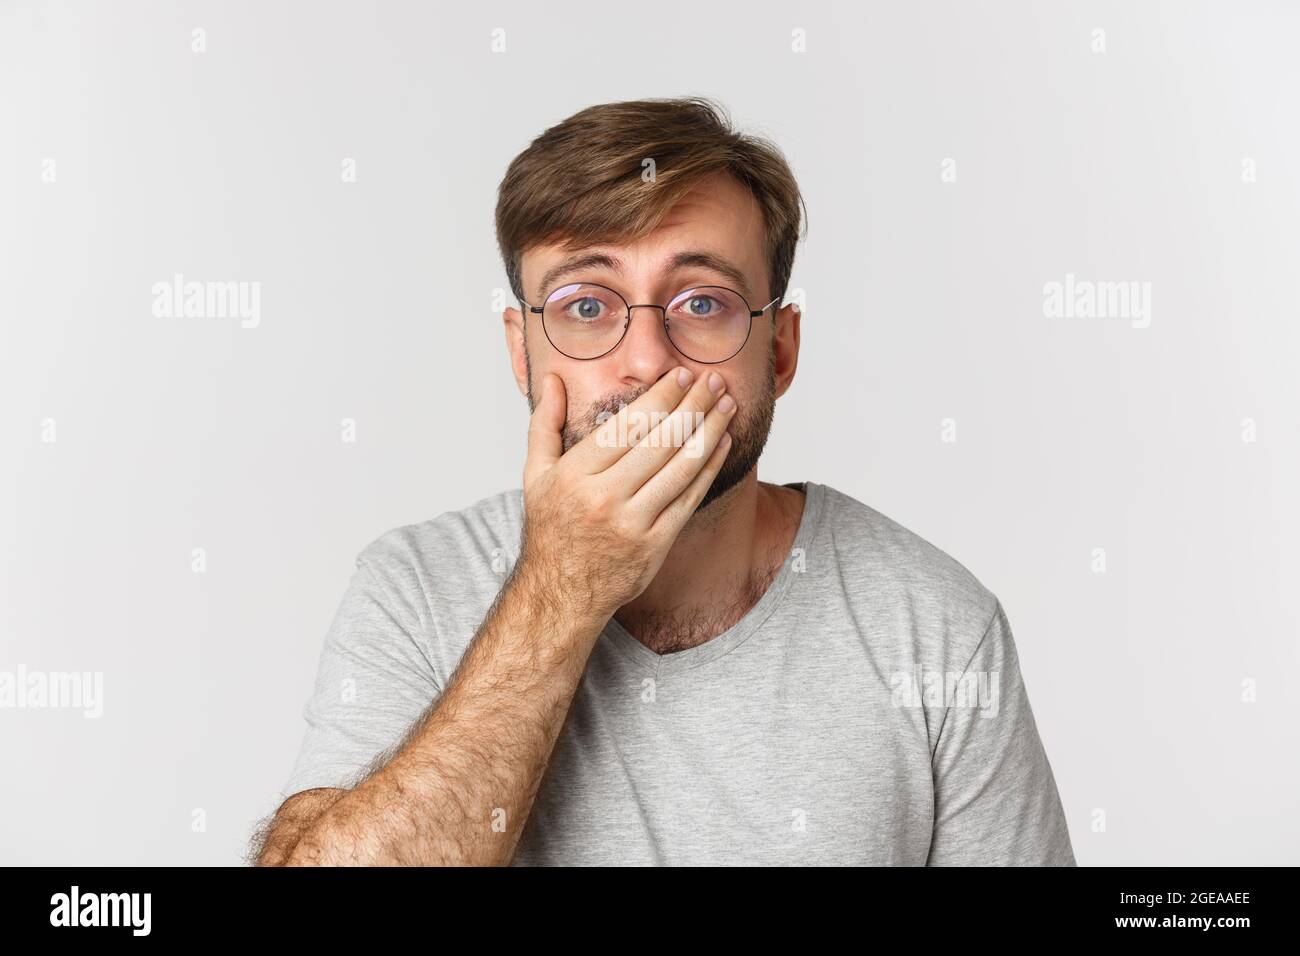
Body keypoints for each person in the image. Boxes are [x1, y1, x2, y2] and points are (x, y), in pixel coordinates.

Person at [251, 96, 1075, 866]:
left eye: (703, 304)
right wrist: (562, 588)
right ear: (521, 353)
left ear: (781, 350)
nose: (646, 362)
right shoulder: (415, 588)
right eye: (586, 306)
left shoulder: (934, 626)